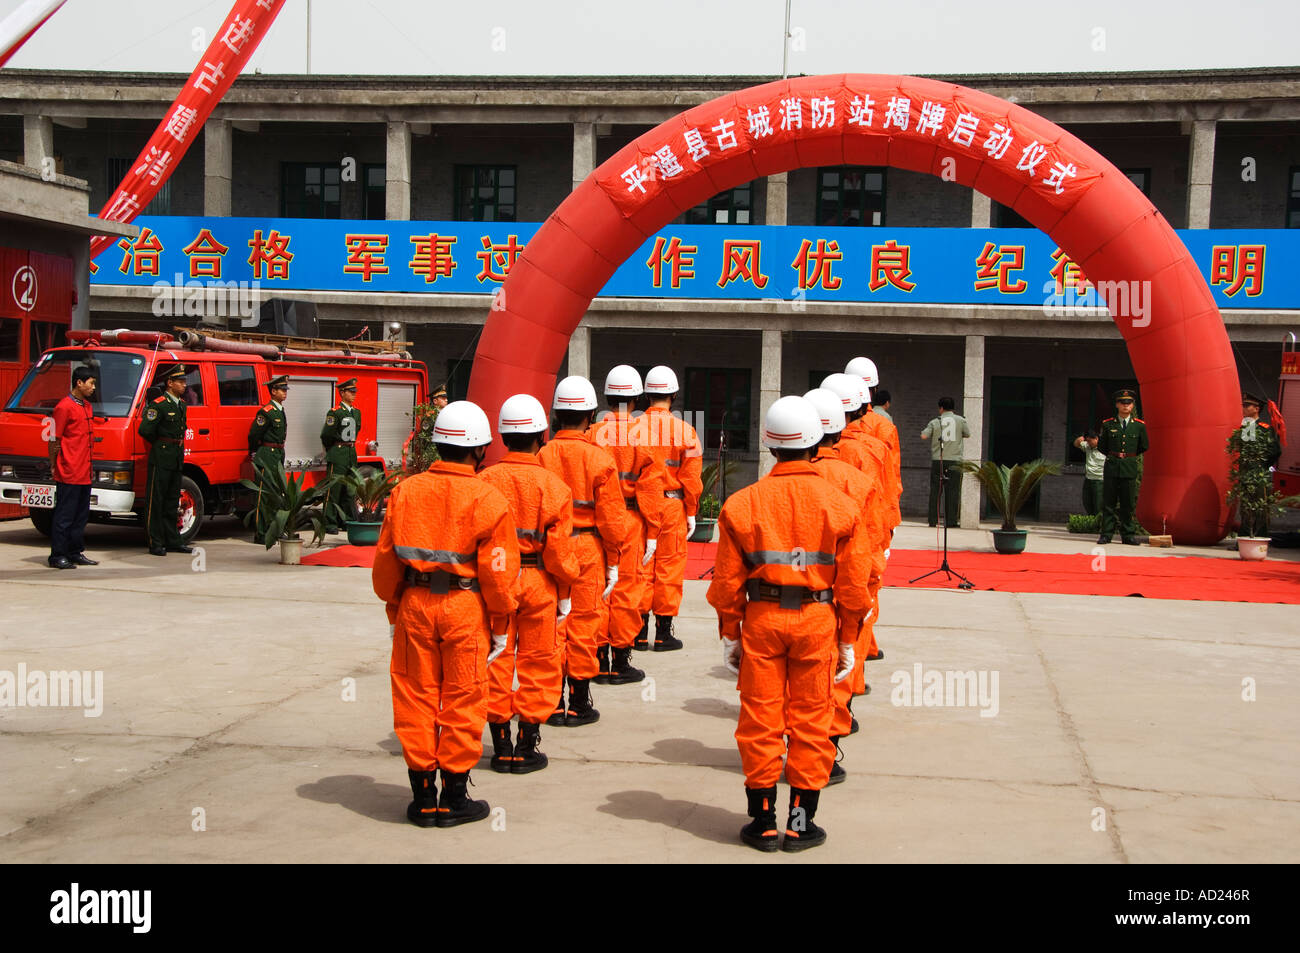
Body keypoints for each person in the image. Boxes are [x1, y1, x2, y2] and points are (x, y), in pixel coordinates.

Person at [708, 396, 872, 854]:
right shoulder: (840, 505)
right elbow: (855, 585)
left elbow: (725, 583)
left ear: (769, 445)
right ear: (816, 441)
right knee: (811, 720)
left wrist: (729, 632)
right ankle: (800, 823)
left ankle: (761, 821)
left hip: (761, 619)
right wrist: (849, 637)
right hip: (818, 619)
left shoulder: (742, 504)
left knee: (759, 719)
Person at [371, 400, 520, 828]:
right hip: (465, 606)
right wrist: (500, 621)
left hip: (416, 605)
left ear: (438, 445)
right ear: (479, 450)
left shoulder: (406, 491)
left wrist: (396, 604)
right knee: (464, 695)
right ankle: (455, 798)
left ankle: (423, 799)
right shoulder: (489, 498)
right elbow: (498, 571)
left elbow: (385, 564)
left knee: (415, 695)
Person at [479, 394, 581, 773]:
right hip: (539, 580)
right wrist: (566, 591)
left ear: (503, 436)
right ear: (542, 434)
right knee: (539, 660)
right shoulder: (554, 487)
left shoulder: (484, 481)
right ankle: (526, 745)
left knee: (496, 657)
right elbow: (558, 552)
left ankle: (500, 743)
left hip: (496, 579)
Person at [803, 388, 886, 785]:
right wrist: (862, 602)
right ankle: (827, 751)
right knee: (836, 674)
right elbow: (866, 546)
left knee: (794, 684)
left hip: (794, 596)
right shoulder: (857, 478)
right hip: (837, 596)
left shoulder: (778, 483)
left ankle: (766, 811)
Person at [537, 376, 628, 724]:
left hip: (550, 547)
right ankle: (578, 701)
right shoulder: (600, 459)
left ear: (557, 415)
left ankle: (551, 699)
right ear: (590, 415)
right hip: (588, 546)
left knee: (552, 623)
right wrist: (614, 559)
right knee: (585, 621)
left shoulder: (541, 455)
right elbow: (612, 520)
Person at [589, 365, 661, 671]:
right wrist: (654, 531)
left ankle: (598, 656)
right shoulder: (644, 435)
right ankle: (620, 659)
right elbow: (651, 487)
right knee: (627, 588)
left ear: (606, 397)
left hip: (596, 521)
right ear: (637, 399)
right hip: (631, 519)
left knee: (600, 589)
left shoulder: (592, 434)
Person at [637, 366, 702, 652]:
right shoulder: (685, 431)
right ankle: (663, 634)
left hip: (641, 507)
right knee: (669, 567)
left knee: (641, 568)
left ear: (647, 395)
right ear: (674, 395)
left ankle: (636, 633)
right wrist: (691, 511)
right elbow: (691, 478)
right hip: (673, 504)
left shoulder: (632, 430)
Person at [137, 364, 192, 557]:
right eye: (180, 381)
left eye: (184, 381)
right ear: (170, 383)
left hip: (176, 456)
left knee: (171, 501)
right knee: (156, 501)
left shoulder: (181, 405)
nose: (184, 385)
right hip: (161, 456)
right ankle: (156, 542)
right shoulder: (159, 404)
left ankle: (173, 540)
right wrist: (161, 445)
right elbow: (145, 430)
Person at [47, 367, 97, 570]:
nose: (93, 388)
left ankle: (75, 551)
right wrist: (53, 465)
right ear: (79, 383)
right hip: (69, 471)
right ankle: (58, 554)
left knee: (81, 516)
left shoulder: (87, 406)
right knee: (64, 516)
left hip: (84, 470)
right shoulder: (64, 407)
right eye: (91, 383)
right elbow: (54, 440)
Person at [1097, 388, 1149, 545]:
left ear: (1133, 406)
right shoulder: (1107, 425)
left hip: (1129, 467)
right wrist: (1116, 456)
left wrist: (1128, 457)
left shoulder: (1139, 426)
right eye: (1122, 402)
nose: (1126, 405)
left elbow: (1143, 446)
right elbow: (1102, 446)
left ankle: (1128, 535)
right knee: (1109, 503)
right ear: (1117, 405)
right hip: (1112, 466)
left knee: (1128, 503)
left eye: (1129, 403)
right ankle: (1106, 534)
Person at [1229, 393, 1283, 538]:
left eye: (1247, 406)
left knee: (1259, 507)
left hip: (1259, 475)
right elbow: (1244, 451)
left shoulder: (1264, 429)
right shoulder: (1246, 427)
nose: (1244, 408)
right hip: (1246, 474)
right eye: (1243, 405)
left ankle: (1260, 537)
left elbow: (1275, 451)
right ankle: (1244, 537)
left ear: (1256, 409)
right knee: (1246, 507)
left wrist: (1261, 465)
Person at [247, 375, 289, 541]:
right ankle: (261, 532)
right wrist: (255, 451)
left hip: (277, 454)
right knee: (263, 495)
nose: (285, 393)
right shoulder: (266, 411)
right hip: (267, 454)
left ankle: (273, 529)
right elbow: (254, 434)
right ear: (273, 391)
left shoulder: (279, 410)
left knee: (275, 495)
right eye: (282, 390)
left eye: (286, 390)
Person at [921, 397, 971, 528]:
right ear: (953, 408)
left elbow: (924, 436)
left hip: (939, 460)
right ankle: (951, 521)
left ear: (941, 408)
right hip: (955, 460)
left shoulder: (935, 421)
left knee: (935, 491)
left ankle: (933, 520)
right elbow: (968, 434)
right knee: (953, 491)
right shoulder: (961, 420)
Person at [321, 377, 362, 533]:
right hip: (338, 453)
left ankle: (345, 519)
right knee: (334, 489)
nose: (353, 394)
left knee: (349, 490)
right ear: (342, 393)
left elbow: (356, 431)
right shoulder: (335, 412)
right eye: (350, 392)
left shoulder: (356, 412)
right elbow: (327, 434)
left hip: (351, 453)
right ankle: (330, 522)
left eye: (354, 392)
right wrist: (333, 449)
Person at [1073, 429, 1105, 516]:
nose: (1089, 443)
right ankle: (1092, 519)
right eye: (1087, 441)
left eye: (1090, 441)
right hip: (1088, 479)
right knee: (1086, 501)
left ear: (1096, 439)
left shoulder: (1105, 449)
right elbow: (1076, 444)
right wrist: (1082, 438)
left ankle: (1098, 522)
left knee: (1098, 504)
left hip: (1100, 480)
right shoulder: (1087, 446)